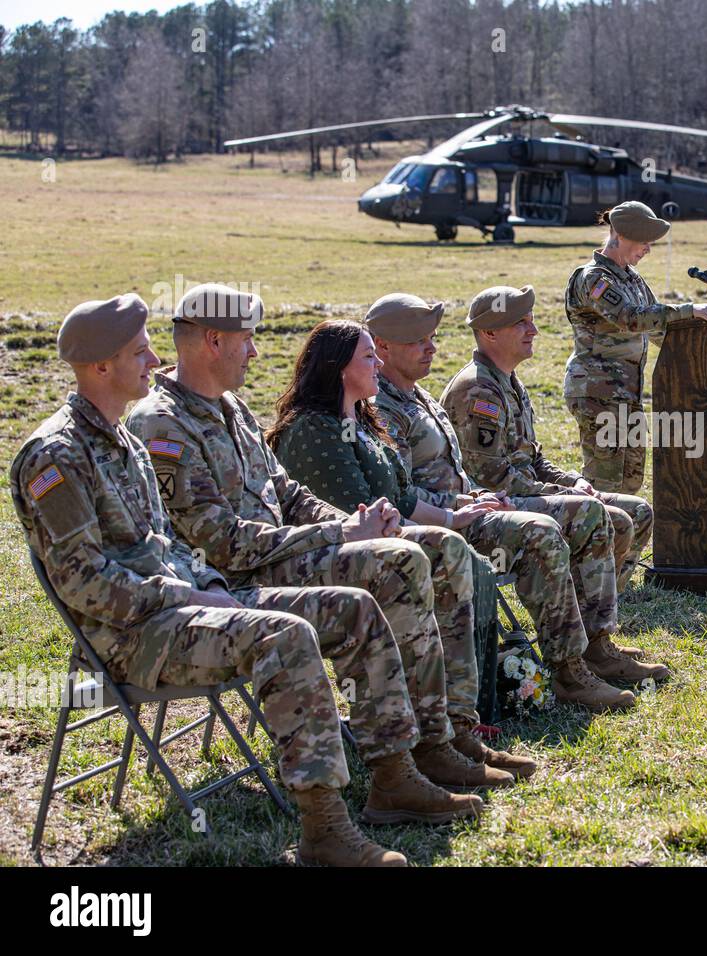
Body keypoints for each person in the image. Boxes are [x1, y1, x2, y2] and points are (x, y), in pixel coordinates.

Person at [14, 294, 474, 868]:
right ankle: (324, 830)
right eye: (140, 352)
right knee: (283, 636)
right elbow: (86, 584)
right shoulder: (56, 456)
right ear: (100, 367)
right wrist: (190, 590)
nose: (154, 360)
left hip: (184, 605)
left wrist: (202, 580)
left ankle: (395, 775)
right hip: (132, 637)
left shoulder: (122, 440)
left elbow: (173, 544)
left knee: (353, 608)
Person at [125, 284, 511, 790]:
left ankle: (446, 733)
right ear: (213, 341)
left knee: (433, 548)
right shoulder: (162, 425)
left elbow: (286, 492)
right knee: (396, 563)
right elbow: (222, 544)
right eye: (247, 339)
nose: (256, 351)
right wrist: (338, 533)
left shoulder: (231, 408)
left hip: (276, 557)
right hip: (232, 579)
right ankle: (399, 764)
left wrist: (357, 525)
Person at [270, 318, 641, 716]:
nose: (377, 363)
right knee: (540, 531)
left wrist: (456, 513)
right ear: (337, 366)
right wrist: (449, 520)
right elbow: (354, 515)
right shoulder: (315, 430)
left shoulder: (361, 419)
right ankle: (515, 691)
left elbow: (405, 496)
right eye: (369, 356)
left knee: (561, 525)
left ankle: (574, 660)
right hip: (366, 553)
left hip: (426, 524)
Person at [366, 292, 657, 693]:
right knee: (583, 519)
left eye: (431, 337)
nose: (432, 347)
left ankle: (592, 643)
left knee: (628, 513)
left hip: (476, 506)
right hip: (448, 523)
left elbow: (524, 459)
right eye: (419, 340)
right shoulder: (413, 402)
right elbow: (409, 491)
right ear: (382, 346)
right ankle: (570, 667)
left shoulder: (426, 394)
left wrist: (569, 482)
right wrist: (462, 506)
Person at [442, 284, 672, 683]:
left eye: (531, 321)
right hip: (492, 508)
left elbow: (533, 460)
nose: (533, 330)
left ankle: (593, 637)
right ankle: (581, 652)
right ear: (489, 334)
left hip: (523, 494)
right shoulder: (478, 390)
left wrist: (576, 481)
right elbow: (493, 478)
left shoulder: (507, 381)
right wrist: (568, 495)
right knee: (591, 514)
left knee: (636, 512)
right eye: (521, 324)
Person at [564, 200, 707, 495]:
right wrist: (689, 309)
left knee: (631, 479)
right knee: (605, 483)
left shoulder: (632, 278)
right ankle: (594, 537)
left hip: (628, 393)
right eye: (644, 241)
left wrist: (706, 353)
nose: (648, 249)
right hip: (598, 393)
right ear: (621, 236)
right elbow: (631, 319)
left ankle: (622, 540)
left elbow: (657, 328)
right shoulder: (594, 279)